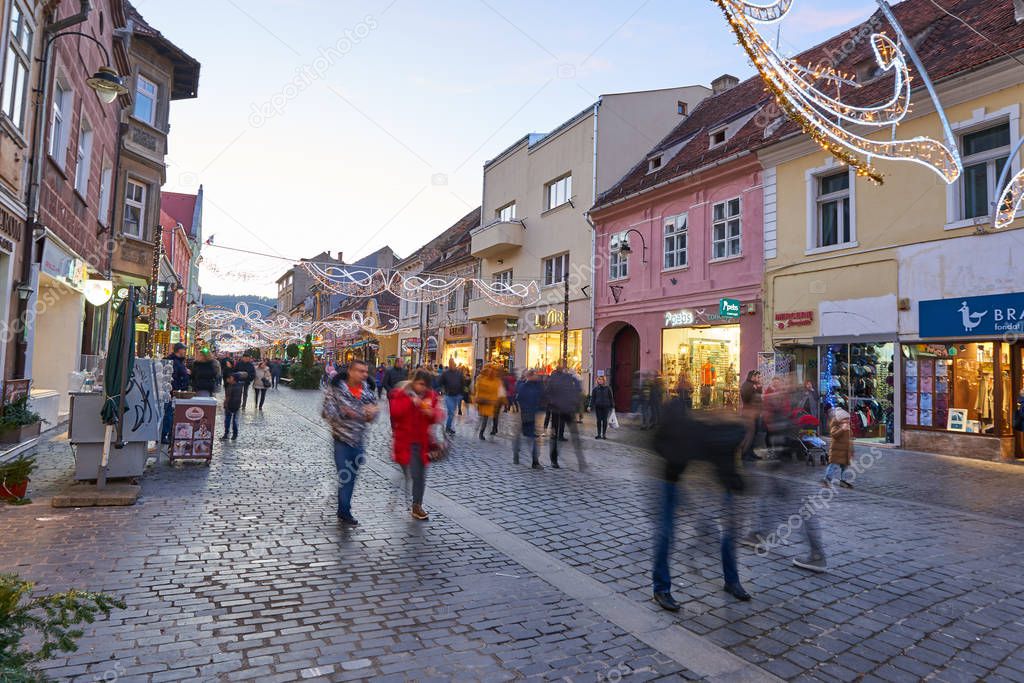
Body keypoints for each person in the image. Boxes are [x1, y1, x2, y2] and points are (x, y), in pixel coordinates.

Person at [652, 375, 749, 612]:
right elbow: (660, 443)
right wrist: (676, 456)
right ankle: (661, 588)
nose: (688, 389)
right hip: (673, 480)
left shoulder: (710, 424)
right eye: (684, 386)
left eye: (689, 386)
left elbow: (729, 441)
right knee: (667, 533)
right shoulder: (675, 413)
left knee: (727, 531)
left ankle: (731, 580)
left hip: (709, 482)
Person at [322, 359, 379, 526]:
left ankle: (343, 509)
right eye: (360, 371)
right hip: (341, 441)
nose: (364, 375)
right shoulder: (336, 389)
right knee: (345, 477)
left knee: (351, 478)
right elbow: (327, 412)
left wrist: (372, 413)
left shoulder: (368, 391)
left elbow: (373, 414)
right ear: (350, 371)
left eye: (366, 372)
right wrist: (350, 413)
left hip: (359, 441)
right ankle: (345, 511)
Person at [389, 369, 443, 521]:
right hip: (405, 441)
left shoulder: (430, 395)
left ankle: (417, 505)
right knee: (414, 473)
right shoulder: (402, 393)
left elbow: (437, 415)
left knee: (420, 476)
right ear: (414, 381)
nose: (423, 388)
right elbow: (395, 412)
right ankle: (412, 500)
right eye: (420, 384)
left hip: (423, 442)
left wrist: (431, 413)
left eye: (426, 385)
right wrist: (412, 403)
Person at [545, 365, 587, 472]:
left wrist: (551, 404)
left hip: (556, 411)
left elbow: (547, 394)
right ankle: (581, 461)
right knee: (574, 435)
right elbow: (578, 390)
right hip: (568, 410)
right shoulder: (570, 378)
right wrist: (574, 404)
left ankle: (554, 460)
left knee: (554, 436)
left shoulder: (552, 379)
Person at [514, 369, 545, 469]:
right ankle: (534, 461)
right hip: (527, 414)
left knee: (528, 437)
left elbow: (519, 398)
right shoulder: (527, 386)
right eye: (534, 375)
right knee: (530, 438)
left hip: (530, 414)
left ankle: (518, 453)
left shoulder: (528, 385)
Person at [161, 343, 190, 444]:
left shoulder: (179, 361)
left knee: (172, 415)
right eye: (184, 350)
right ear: (179, 350)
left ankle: (169, 434)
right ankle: (163, 435)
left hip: (178, 392)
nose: (185, 352)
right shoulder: (172, 361)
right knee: (168, 414)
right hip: (172, 392)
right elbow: (171, 376)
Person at [823, 405, 853, 489]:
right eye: (845, 419)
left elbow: (849, 439)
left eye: (848, 419)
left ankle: (843, 481)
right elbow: (834, 435)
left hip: (845, 451)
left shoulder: (847, 427)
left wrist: (851, 451)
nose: (847, 421)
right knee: (833, 466)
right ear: (840, 419)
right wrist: (842, 429)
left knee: (845, 467)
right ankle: (827, 479)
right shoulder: (835, 426)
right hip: (837, 451)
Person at [473, 364, 504, 440]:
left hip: (488, 400)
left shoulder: (482, 378)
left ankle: (484, 431)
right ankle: (483, 431)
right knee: (486, 417)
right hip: (487, 400)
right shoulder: (483, 378)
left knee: (486, 417)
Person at [739, 370, 763, 462]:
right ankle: (745, 454)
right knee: (749, 435)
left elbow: (759, 395)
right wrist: (754, 388)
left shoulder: (754, 385)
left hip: (755, 414)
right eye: (757, 377)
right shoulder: (747, 385)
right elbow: (746, 397)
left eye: (759, 377)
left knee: (754, 435)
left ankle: (751, 452)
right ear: (752, 376)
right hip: (749, 415)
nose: (759, 378)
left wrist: (758, 387)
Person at [439, 359, 465, 435]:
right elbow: (440, 382)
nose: (451, 365)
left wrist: (461, 394)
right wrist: (442, 390)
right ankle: (448, 428)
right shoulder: (445, 373)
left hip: (456, 395)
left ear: (454, 364)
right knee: (451, 413)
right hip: (448, 395)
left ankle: (449, 427)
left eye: (452, 363)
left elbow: (462, 383)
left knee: (452, 412)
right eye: (450, 364)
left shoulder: (459, 373)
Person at [591, 375, 614, 439]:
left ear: (604, 381)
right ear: (597, 380)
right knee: (598, 421)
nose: (600, 380)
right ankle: (598, 434)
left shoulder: (608, 388)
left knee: (604, 420)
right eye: (599, 379)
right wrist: (590, 406)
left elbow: (611, 398)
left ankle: (604, 434)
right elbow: (592, 398)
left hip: (606, 407)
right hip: (598, 407)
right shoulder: (595, 389)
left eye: (601, 379)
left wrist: (613, 407)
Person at [221, 373, 243, 441]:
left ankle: (234, 434)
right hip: (228, 406)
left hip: (232, 407)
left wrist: (231, 407)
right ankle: (226, 433)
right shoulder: (231, 385)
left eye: (230, 377)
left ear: (234, 379)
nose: (228, 379)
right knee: (227, 421)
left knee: (234, 421)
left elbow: (236, 399)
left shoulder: (236, 387)